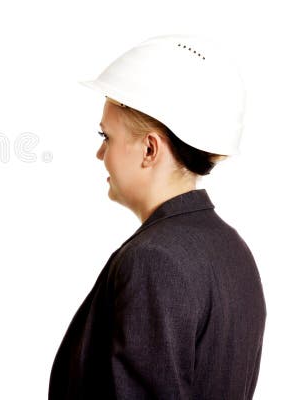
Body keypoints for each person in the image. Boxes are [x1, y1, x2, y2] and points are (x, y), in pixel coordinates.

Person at [48, 36, 266, 399]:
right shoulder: (232, 249)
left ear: (149, 149)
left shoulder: (154, 260)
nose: (100, 152)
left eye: (107, 136)